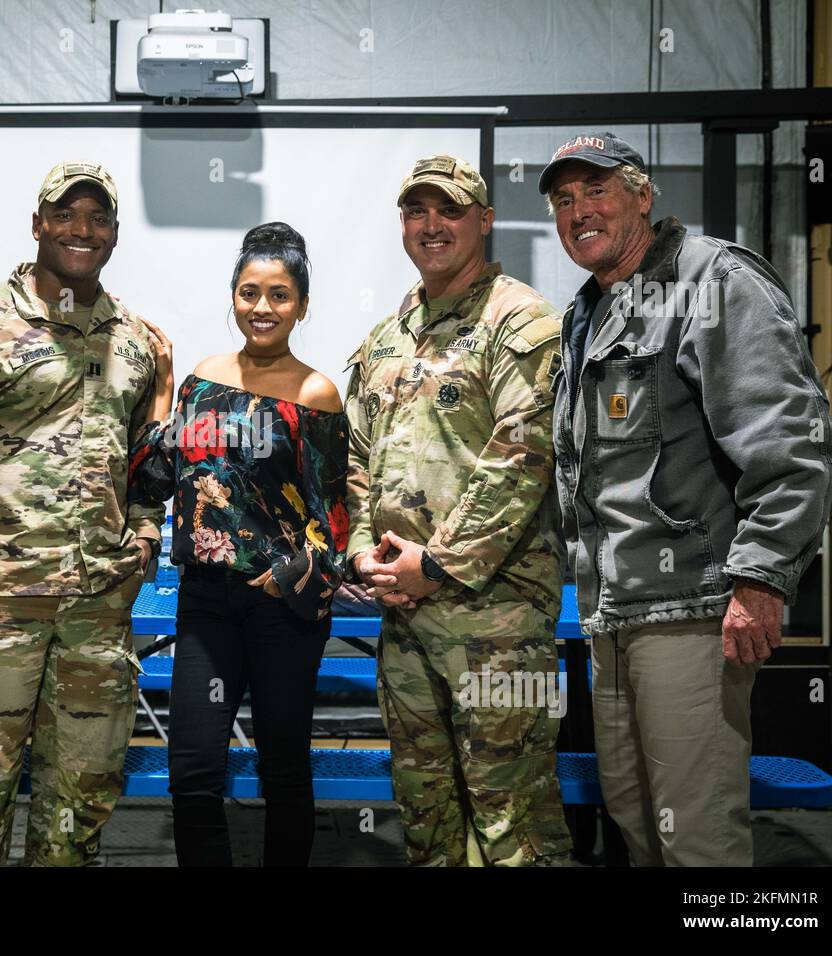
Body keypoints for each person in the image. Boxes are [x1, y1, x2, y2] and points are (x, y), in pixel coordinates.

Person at [540, 132, 832, 866]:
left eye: (598, 191)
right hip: (613, 617)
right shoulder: (589, 312)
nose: (580, 211)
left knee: (697, 839)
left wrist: (761, 579)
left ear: (643, 196)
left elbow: (794, 445)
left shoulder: (710, 281)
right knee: (641, 830)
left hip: (694, 613)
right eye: (563, 200)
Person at [0, 160, 164, 866]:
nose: (82, 230)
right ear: (38, 224)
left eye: (98, 218)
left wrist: (143, 536)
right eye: (67, 215)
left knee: (80, 802)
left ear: (112, 232)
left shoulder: (135, 339)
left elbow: (144, 462)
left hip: (96, 611)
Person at [345, 155, 573, 866]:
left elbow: (522, 458)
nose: (431, 225)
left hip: (497, 620)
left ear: (484, 220)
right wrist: (361, 549)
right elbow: (358, 458)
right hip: (405, 619)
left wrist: (437, 564)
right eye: (417, 211)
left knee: (512, 812)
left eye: (448, 209)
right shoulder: (386, 337)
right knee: (425, 808)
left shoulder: (522, 322)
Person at [129, 222, 347, 866]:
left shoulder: (316, 392)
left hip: (282, 609)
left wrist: (287, 576)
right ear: (233, 297)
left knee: (284, 773)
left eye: (279, 295)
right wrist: (165, 389)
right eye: (249, 292)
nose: (262, 308)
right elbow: (157, 476)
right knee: (193, 775)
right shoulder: (204, 377)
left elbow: (333, 516)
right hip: (206, 603)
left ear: (301, 305)